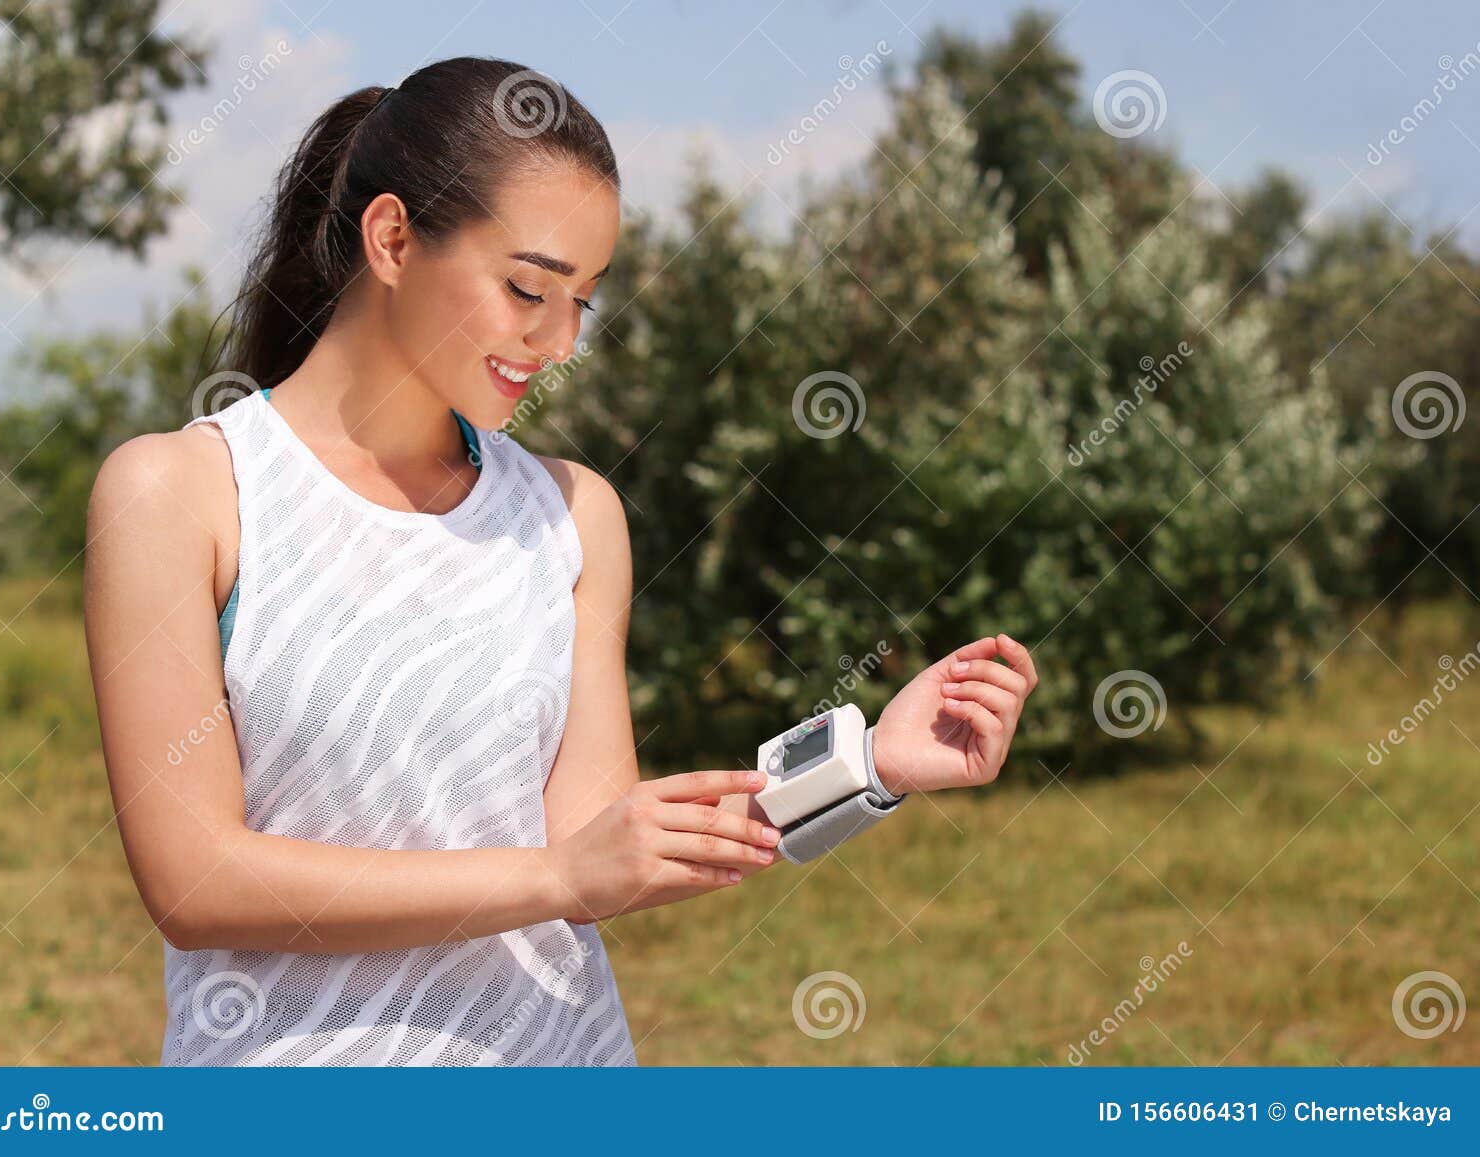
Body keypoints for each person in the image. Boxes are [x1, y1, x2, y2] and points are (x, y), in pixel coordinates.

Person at [82, 56, 1038, 1067]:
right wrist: (555, 878)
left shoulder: (574, 513)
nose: (560, 339)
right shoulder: (182, 492)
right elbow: (194, 882)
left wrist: (868, 766)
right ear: (393, 239)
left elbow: (605, 840)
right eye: (528, 287)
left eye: (584, 298)